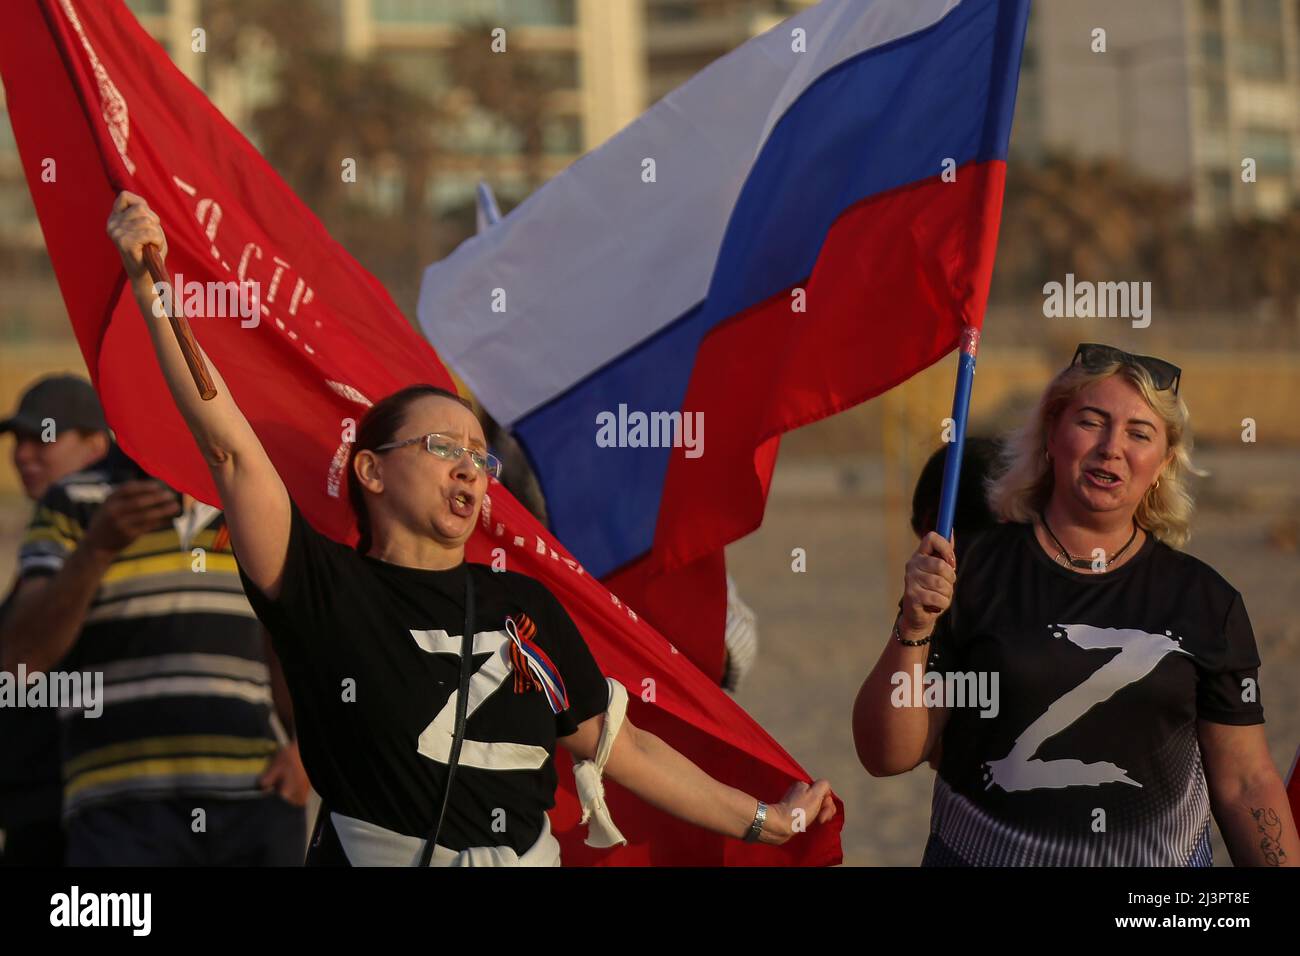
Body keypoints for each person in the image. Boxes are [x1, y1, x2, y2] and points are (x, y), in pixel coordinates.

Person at [106, 190, 835, 865]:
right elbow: (229, 449)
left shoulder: (525, 608)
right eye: (442, 449)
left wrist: (767, 822)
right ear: (371, 472)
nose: (470, 469)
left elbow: (628, 751)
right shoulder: (321, 587)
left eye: (478, 456)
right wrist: (155, 291)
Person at [853, 343, 1298, 866]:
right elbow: (887, 755)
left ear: (1163, 463)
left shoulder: (1205, 601)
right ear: (1050, 435)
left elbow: (1246, 782)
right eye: (1092, 422)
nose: (1112, 447)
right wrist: (913, 626)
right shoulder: (969, 573)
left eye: (1139, 433)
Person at [0, 392, 309, 865]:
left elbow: (289, 634)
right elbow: (21, 661)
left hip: (254, 806)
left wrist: (306, 752)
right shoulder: (76, 503)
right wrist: (97, 549)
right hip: (117, 813)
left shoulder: (257, 495)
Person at [0, 375, 111, 866]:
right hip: (31, 820)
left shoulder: (118, 550)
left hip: (85, 819)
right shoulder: (41, 551)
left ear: (95, 446)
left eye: (42, 437)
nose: (24, 453)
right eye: (16, 441)